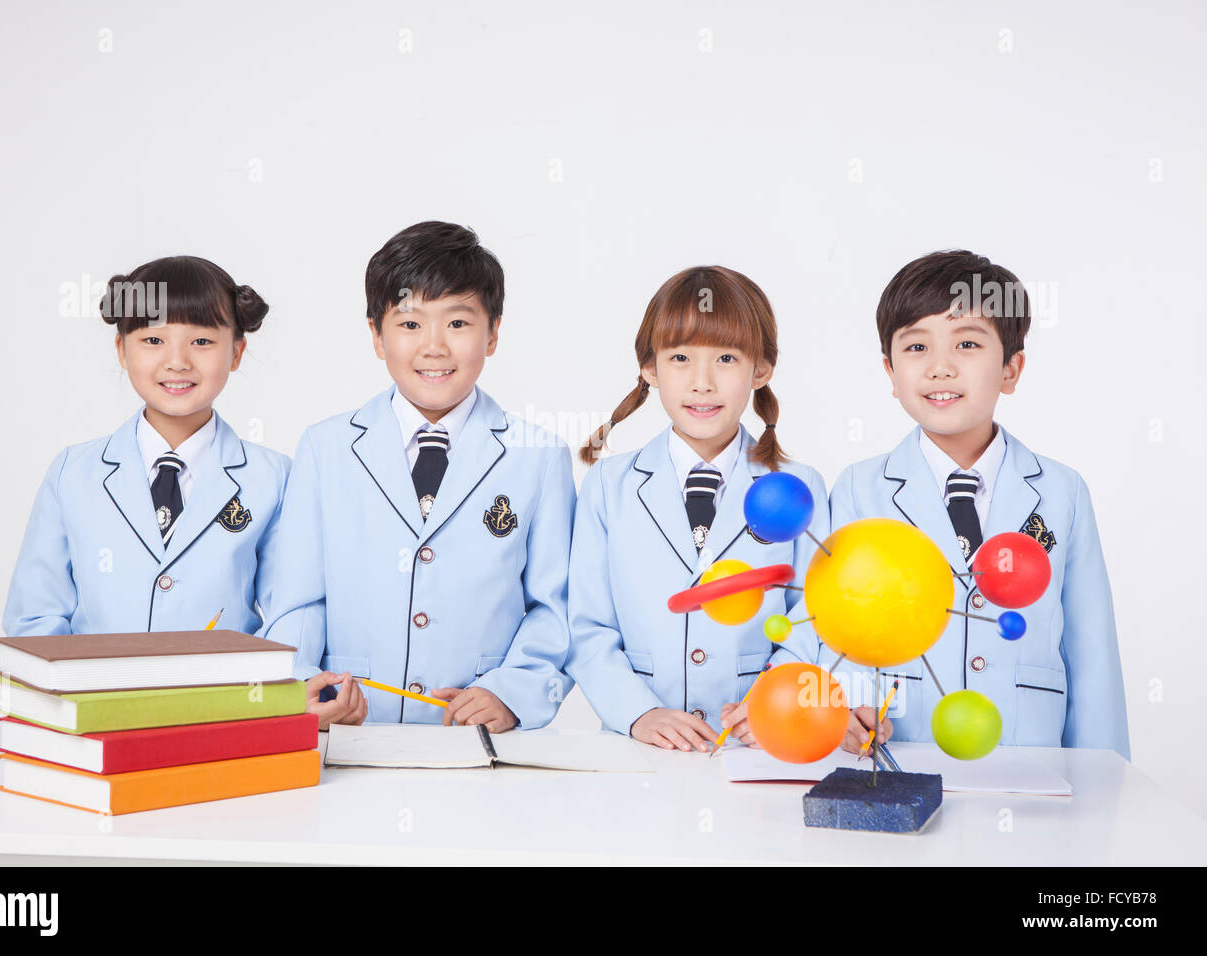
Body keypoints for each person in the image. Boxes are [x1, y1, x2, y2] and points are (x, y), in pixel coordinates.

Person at [260, 221, 575, 732]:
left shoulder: (537, 456)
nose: (433, 347)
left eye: (457, 324)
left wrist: (511, 690)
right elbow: (297, 598)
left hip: (474, 736)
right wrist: (303, 682)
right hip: (352, 732)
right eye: (409, 325)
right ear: (376, 336)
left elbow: (554, 606)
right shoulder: (326, 448)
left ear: (492, 333)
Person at [828, 250, 1130, 759]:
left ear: (1011, 370)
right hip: (897, 754)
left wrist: (1105, 779)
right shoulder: (860, 489)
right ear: (890, 372)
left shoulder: (1061, 491)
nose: (940, 367)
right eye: (917, 346)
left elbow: (1091, 650)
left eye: (967, 344)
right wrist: (841, 709)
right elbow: (837, 630)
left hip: (1027, 757)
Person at [565, 265, 829, 752]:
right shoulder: (609, 485)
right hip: (639, 747)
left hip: (759, 742)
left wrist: (776, 696)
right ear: (650, 369)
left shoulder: (799, 487)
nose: (702, 382)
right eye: (680, 357)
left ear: (761, 368)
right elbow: (586, 625)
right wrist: (637, 712)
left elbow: (814, 616)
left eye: (726, 358)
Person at [3, 255, 290, 640]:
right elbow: (34, 620)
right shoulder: (73, 473)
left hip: (228, 700)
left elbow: (288, 614)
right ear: (122, 349)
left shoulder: (275, 478)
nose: (177, 362)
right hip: (98, 698)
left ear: (236, 352)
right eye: (153, 340)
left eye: (202, 341)